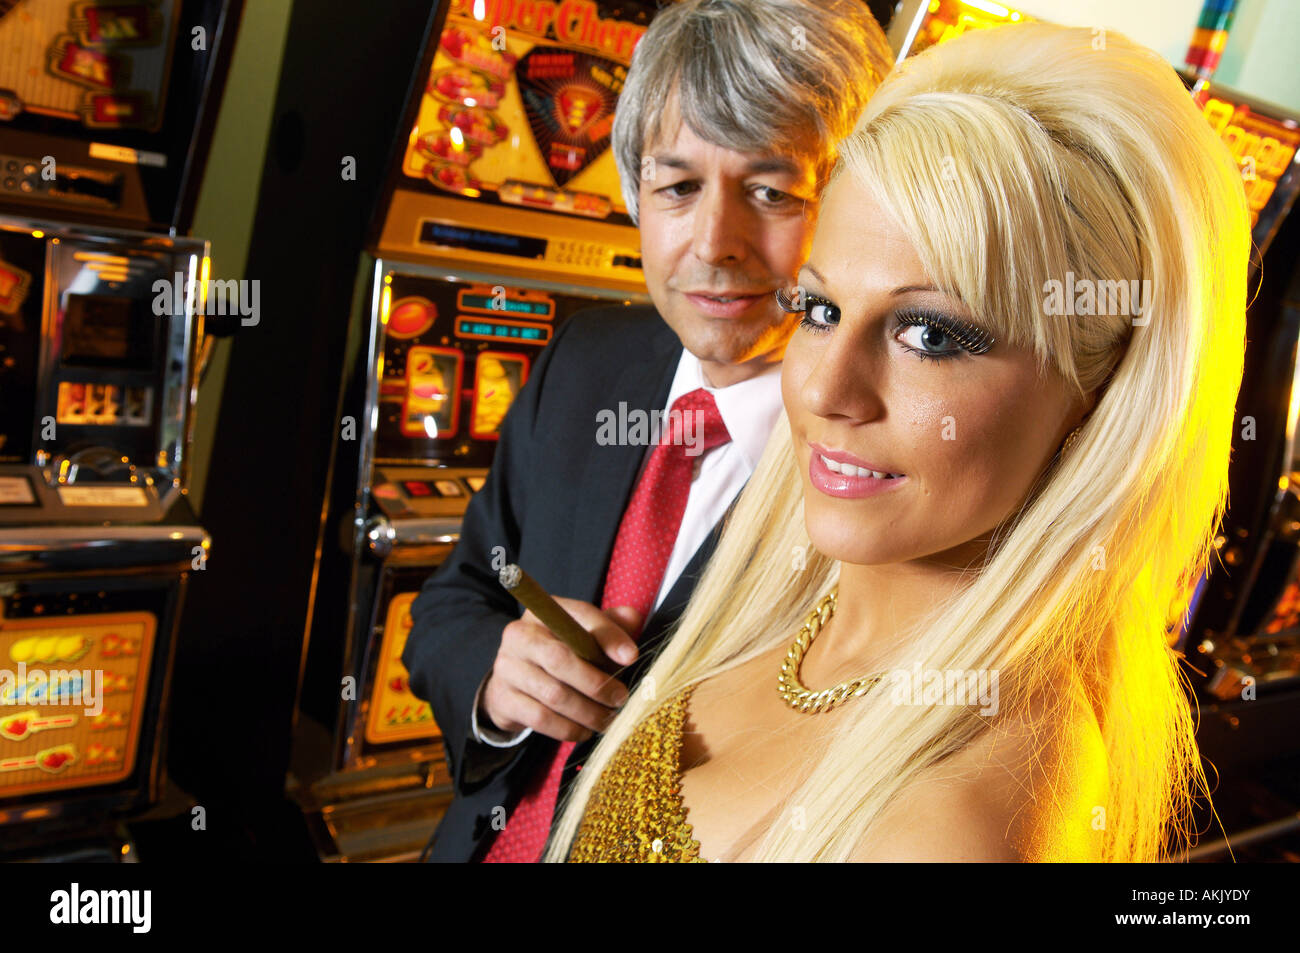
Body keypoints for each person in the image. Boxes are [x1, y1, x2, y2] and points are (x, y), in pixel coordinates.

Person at [546, 20, 1252, 863]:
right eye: (821, 310)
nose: (822, 390)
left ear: (1095, 398)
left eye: (930, 335)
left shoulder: (961, 826)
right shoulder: (796, 594)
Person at [402, 0, 893, 863]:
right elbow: (463, 593)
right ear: (636, 194)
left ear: (855, 208)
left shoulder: (883, 458)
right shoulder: (589, 359)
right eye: (678, 187)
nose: (715, 242)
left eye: (773, 191)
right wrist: (496, 674)